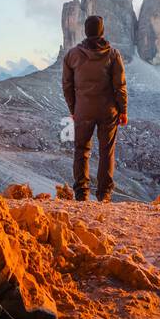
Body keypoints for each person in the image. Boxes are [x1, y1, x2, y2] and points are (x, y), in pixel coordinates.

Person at [61, 15, 127, 201]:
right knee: (107, 151)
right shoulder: (113, 54)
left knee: (81, 149)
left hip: (83, 110)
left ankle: (81, 192)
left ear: (85, 31)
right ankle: (104, 194)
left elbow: (67, 85)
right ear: (102, 31)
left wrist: (74, 109)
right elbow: (120, 85)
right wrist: (123, 110)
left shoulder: (72, 55)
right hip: (108, 111)